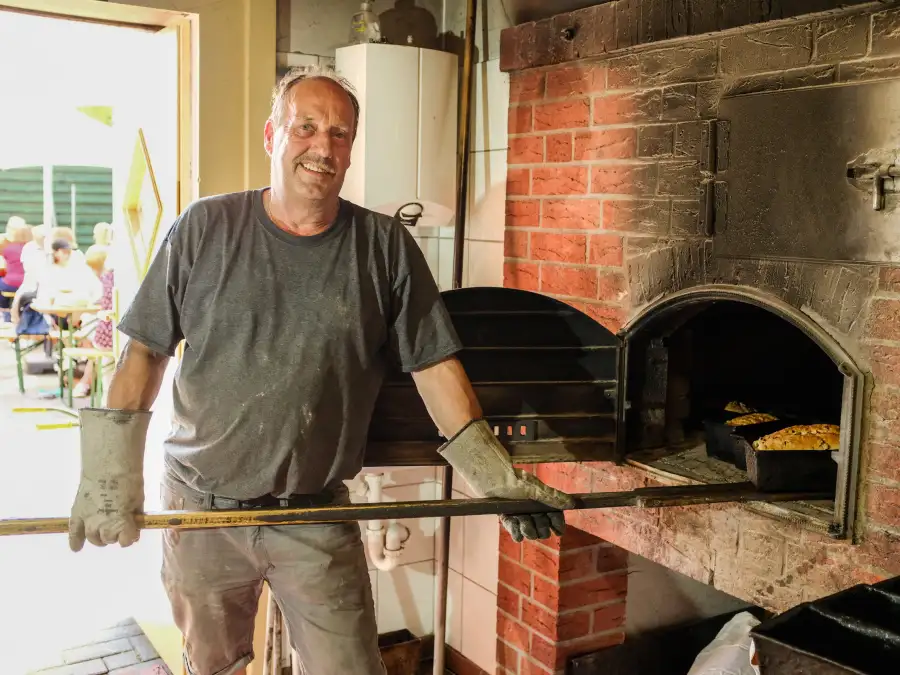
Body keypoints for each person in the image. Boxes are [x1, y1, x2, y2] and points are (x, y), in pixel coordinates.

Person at [67, 65, 573, 675]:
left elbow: (435, 367)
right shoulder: (204, 228)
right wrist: (108, 476)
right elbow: (143, 353)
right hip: (201, 510)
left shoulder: (384, 245)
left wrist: (495, 476)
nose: (322, 146)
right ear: (271, 135)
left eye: (339, 133)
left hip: (314, 513)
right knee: (213, 665)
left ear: (351, 149)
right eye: (305, 127)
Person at [72, 245, 114, 398]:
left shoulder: (104, 279)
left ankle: (88, 385)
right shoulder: (113, 277)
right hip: (112, 332)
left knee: (91, 345)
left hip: (104, 334)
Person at [0, 217, 31, 319]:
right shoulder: (31, 246)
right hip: (27, 283)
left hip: (10, 282)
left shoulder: (5, 246)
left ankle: (4, 311)